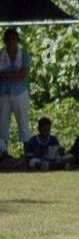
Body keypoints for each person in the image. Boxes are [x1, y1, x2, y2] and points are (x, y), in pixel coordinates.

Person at [0, 27, 32, 157]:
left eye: (14, 39)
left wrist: (6, 75)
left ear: (18, 40)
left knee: (23, 122)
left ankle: (28, 154)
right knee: (2, 124)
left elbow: (22, 74)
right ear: (5, 41)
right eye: (8, 39)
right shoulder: (1, 55)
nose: (11, 41)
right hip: (3, 93)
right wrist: (14, 75)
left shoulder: (24, 55)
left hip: (20, 93)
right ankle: (3, 154)